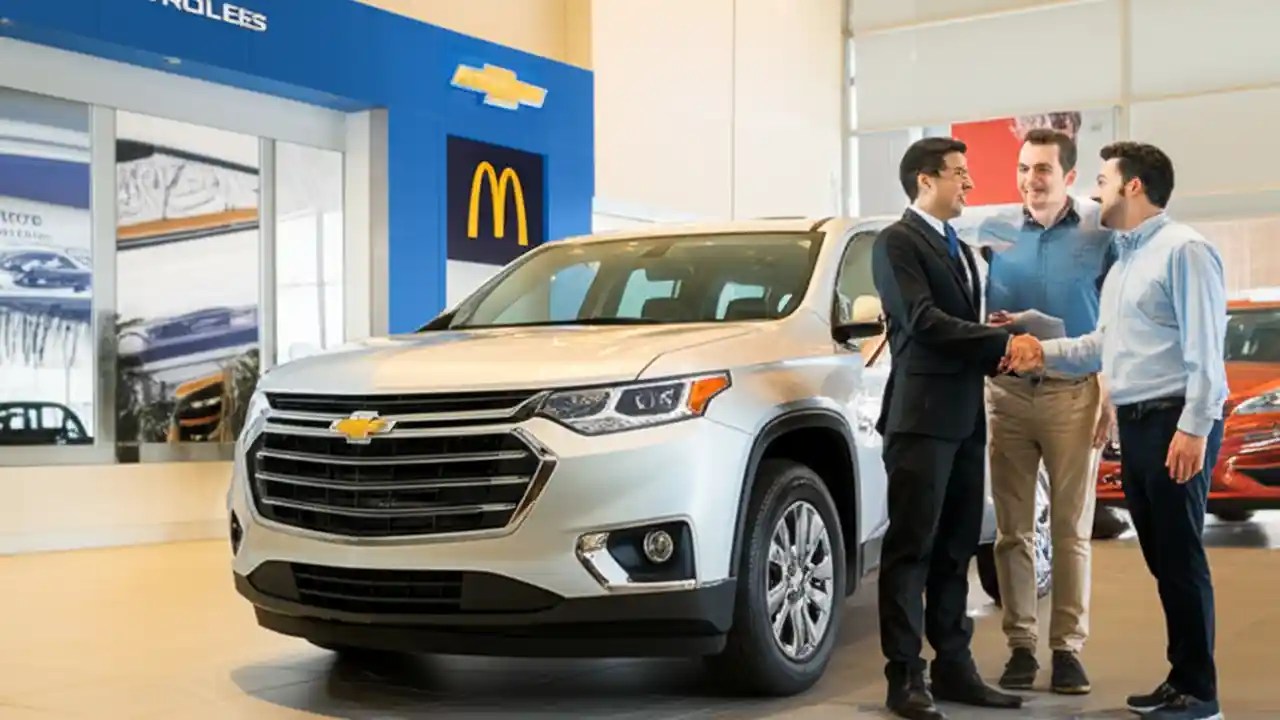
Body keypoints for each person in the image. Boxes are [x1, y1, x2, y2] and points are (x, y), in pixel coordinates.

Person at [1005, 141, 1228, 720]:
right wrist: (1039, 352)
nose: (1095, 191)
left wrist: (1195, 430)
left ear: (1133, 187)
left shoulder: (1186, 251)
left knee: (1180, 558)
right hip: (1138, 421)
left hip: (1173, 419)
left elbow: (1207, 350)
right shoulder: (1126, 262)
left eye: (1102, 180)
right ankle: (1182, 679)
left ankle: (1200, 694)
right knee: (1162, 558)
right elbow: (1100, 345)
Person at [870, 136, 1025, 720]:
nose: (969, 184)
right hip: (921, 420)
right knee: (912, 548)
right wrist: (1002, 340)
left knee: (957, 547)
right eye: (960, 174)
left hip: (965, 416)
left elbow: (958, 323)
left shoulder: (958, 246)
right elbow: (922, 322)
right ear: (924, 180)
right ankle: (904, 677)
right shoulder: (896, 243)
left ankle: (954, 667)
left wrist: (994, 336)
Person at [977, 128, 1117, 694]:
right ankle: (1020, 645)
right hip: (1007, 395)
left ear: (1070, 177)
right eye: (1023, 168)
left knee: (1070, 529)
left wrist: (1108, 392)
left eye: (1042, 169)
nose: (1030, 179)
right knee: (1011, 532)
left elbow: (1116, 320)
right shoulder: (994, 231)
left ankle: (1068, 650)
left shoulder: (1099, 234)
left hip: (1073, 394)